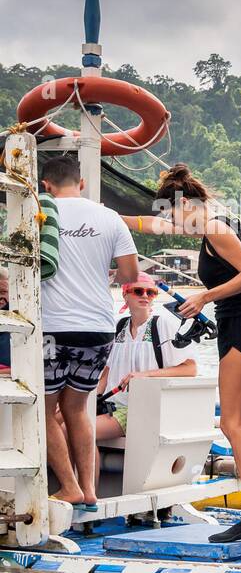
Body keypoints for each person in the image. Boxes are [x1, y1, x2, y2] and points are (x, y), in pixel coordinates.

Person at [129, 163, 241, 540]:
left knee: (233, 425)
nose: (173, 224)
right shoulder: (217, 222)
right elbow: (152, 226)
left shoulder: (215, 228)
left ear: (184, 204)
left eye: (172, 214)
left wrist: (204, 296)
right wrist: (106, 215)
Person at [39, 155, 139, 512]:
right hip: (99, 326)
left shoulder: (39, 214)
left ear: (46, 186)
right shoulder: (109, 217)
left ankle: (69, 487)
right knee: (79, 407)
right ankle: (90, 489)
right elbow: (130, 274)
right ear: (81, 183)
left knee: (44, 412)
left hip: (53, 326)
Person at [94, 273, 197, 440]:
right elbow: (107, 372)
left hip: (138, 410)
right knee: (62, 423)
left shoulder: (162, 324)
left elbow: (191, 368)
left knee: (77, 432)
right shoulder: (118, 326)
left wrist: (144, 375)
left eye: (151, 292)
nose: (145, 296)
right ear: (125, 295)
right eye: (138, 291)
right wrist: (88, 400)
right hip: (108, 405)